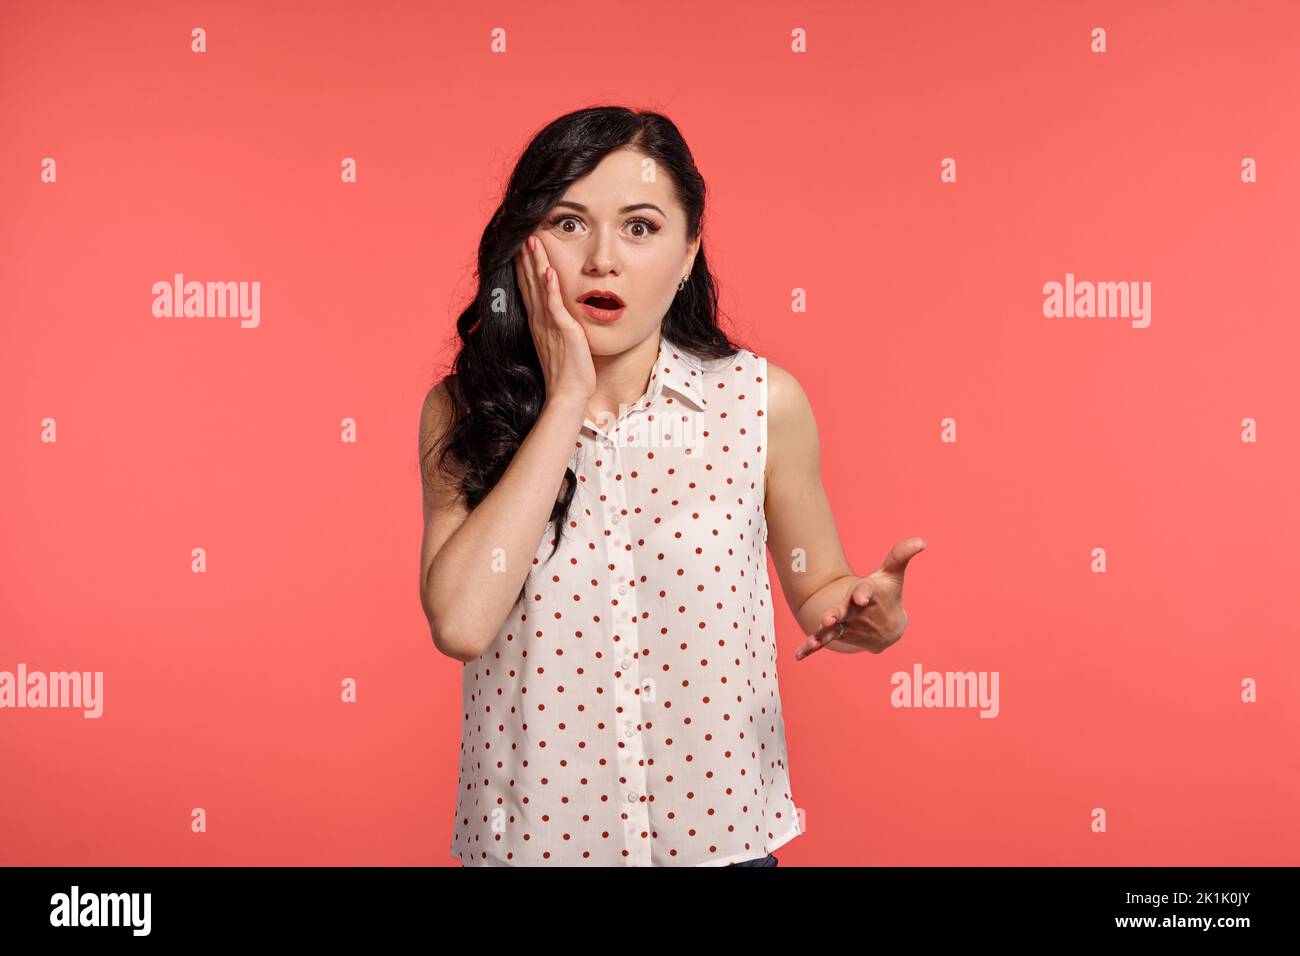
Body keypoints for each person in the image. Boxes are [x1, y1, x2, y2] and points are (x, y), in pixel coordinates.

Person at [418, 106, 925, 866]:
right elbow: (460, 623)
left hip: (723, 847)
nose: (601, 260)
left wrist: (863, 617)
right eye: (567, 222)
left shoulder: (761, 403)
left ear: (688, 252)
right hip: (531, 852)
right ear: (525, 244)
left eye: (641, 227)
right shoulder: (465, 411)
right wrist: (563, 401)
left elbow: (818, 583)